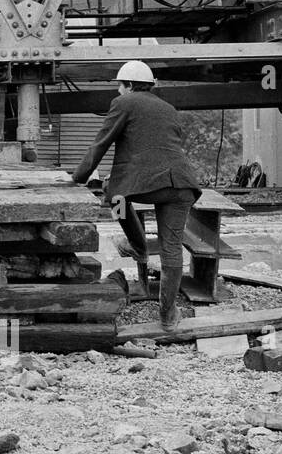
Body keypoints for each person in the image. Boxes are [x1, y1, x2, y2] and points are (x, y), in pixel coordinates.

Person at [70, 60, 202, 332]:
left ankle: (138, 246)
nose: (118, 90)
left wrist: (78, 177)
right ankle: (167, 316)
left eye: (120, 85)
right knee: (171, 249)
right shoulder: (168, 109)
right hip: (181, 186)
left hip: (147, 184)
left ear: (129, 85)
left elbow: (101, 142)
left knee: (114, 196)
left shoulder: (124, 103)